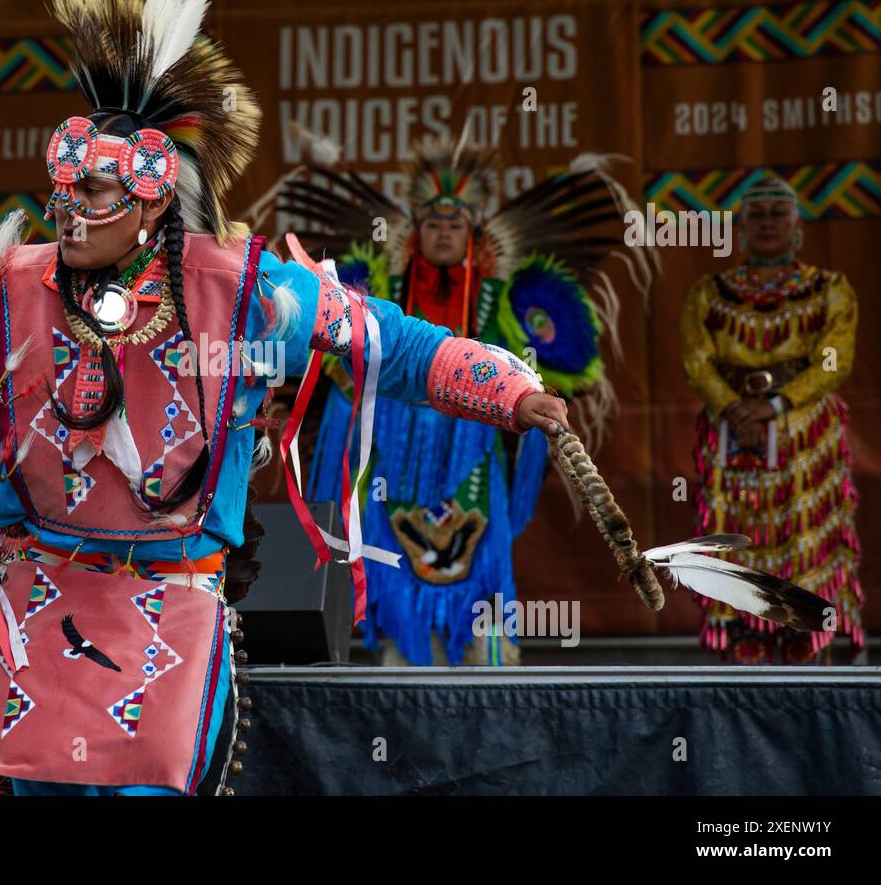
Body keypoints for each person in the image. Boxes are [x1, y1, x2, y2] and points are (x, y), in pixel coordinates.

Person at [0, 0, 569, 795]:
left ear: (152, 200)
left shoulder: (247, 293)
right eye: (62, 191)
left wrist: (508, 390)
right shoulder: (11, 295)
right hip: (40, 598)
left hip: (170, 606)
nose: (69, 212)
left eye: (97, 194)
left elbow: (391, 342)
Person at [276, 135, 653, 665]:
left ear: (473, 237)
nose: (444, 232)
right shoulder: (376, 293)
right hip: (391, 459)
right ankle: (402, 671)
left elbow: (553, 364)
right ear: (415, 236)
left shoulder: (503, 301)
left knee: (481, 591)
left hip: (473, 454)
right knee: (397, 591)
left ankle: (486, 683)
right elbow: (342, 365)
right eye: (434, 224)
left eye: (455, 226)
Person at [681, 172, 862, 664]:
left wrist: (775, 404)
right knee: (737, 527)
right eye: (755, 215)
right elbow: (697, 360)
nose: (766, 224)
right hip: (729, 429)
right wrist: (734, 409)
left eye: (777, 214)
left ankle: (803, 629)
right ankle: (745, 630)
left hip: (803, 429)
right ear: (740, 227)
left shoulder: (828, 289)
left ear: (797, 226)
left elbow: (834, 360)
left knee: (800, 529)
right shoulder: (710, 292)